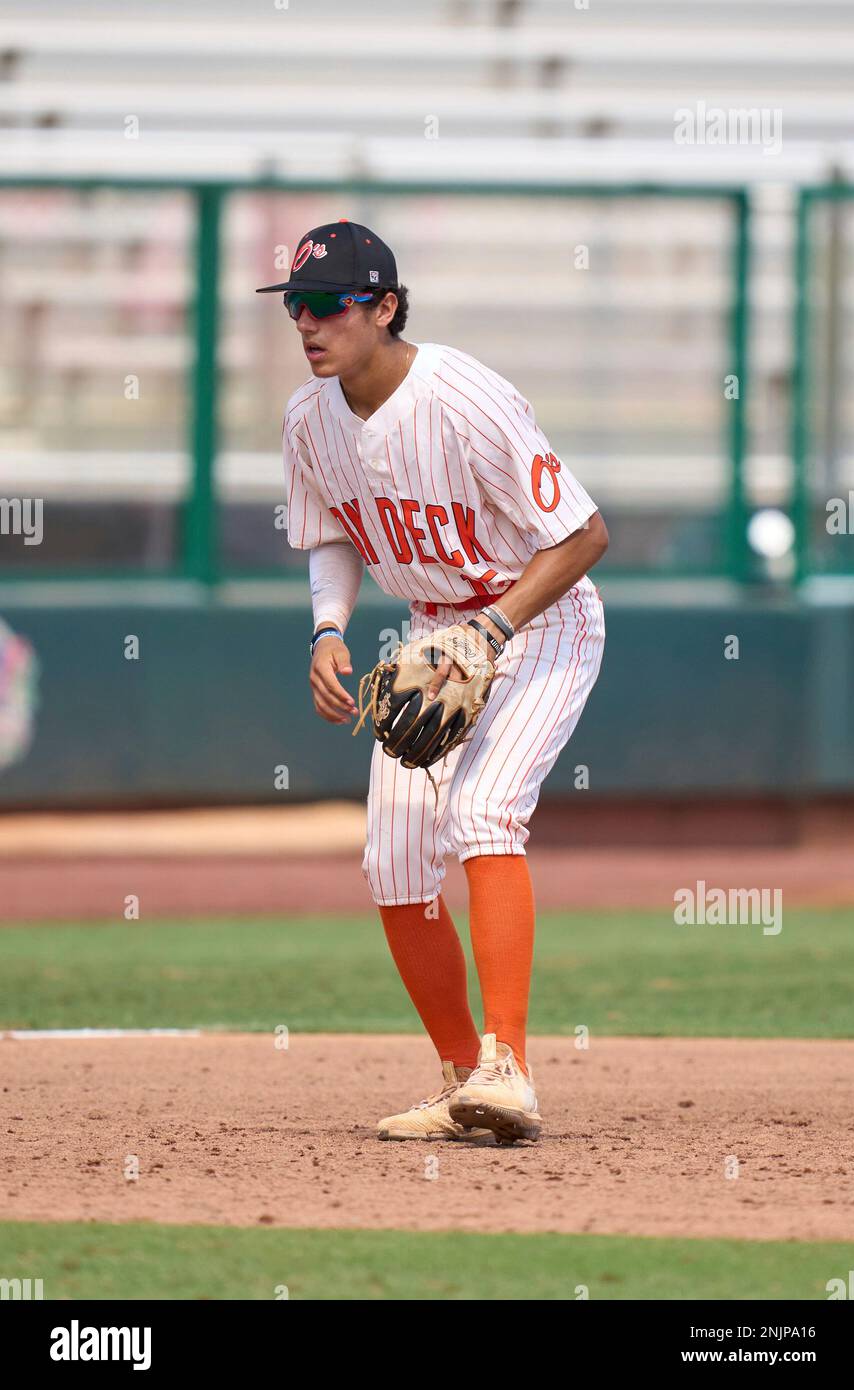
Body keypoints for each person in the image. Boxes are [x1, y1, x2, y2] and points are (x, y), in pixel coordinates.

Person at [258, 220, 607, 1145]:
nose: (308, 321)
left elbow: (584, 536)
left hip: (535, 622)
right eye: (297, 304)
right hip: (429, 636)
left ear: (385, 306)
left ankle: (510, 1069)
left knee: (486, 813)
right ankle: (462, 1082)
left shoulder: (462, 396)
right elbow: (332, 530)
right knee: (396, 861)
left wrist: (490, 631)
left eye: (329, 303)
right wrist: (328, 628)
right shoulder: (308, 419)